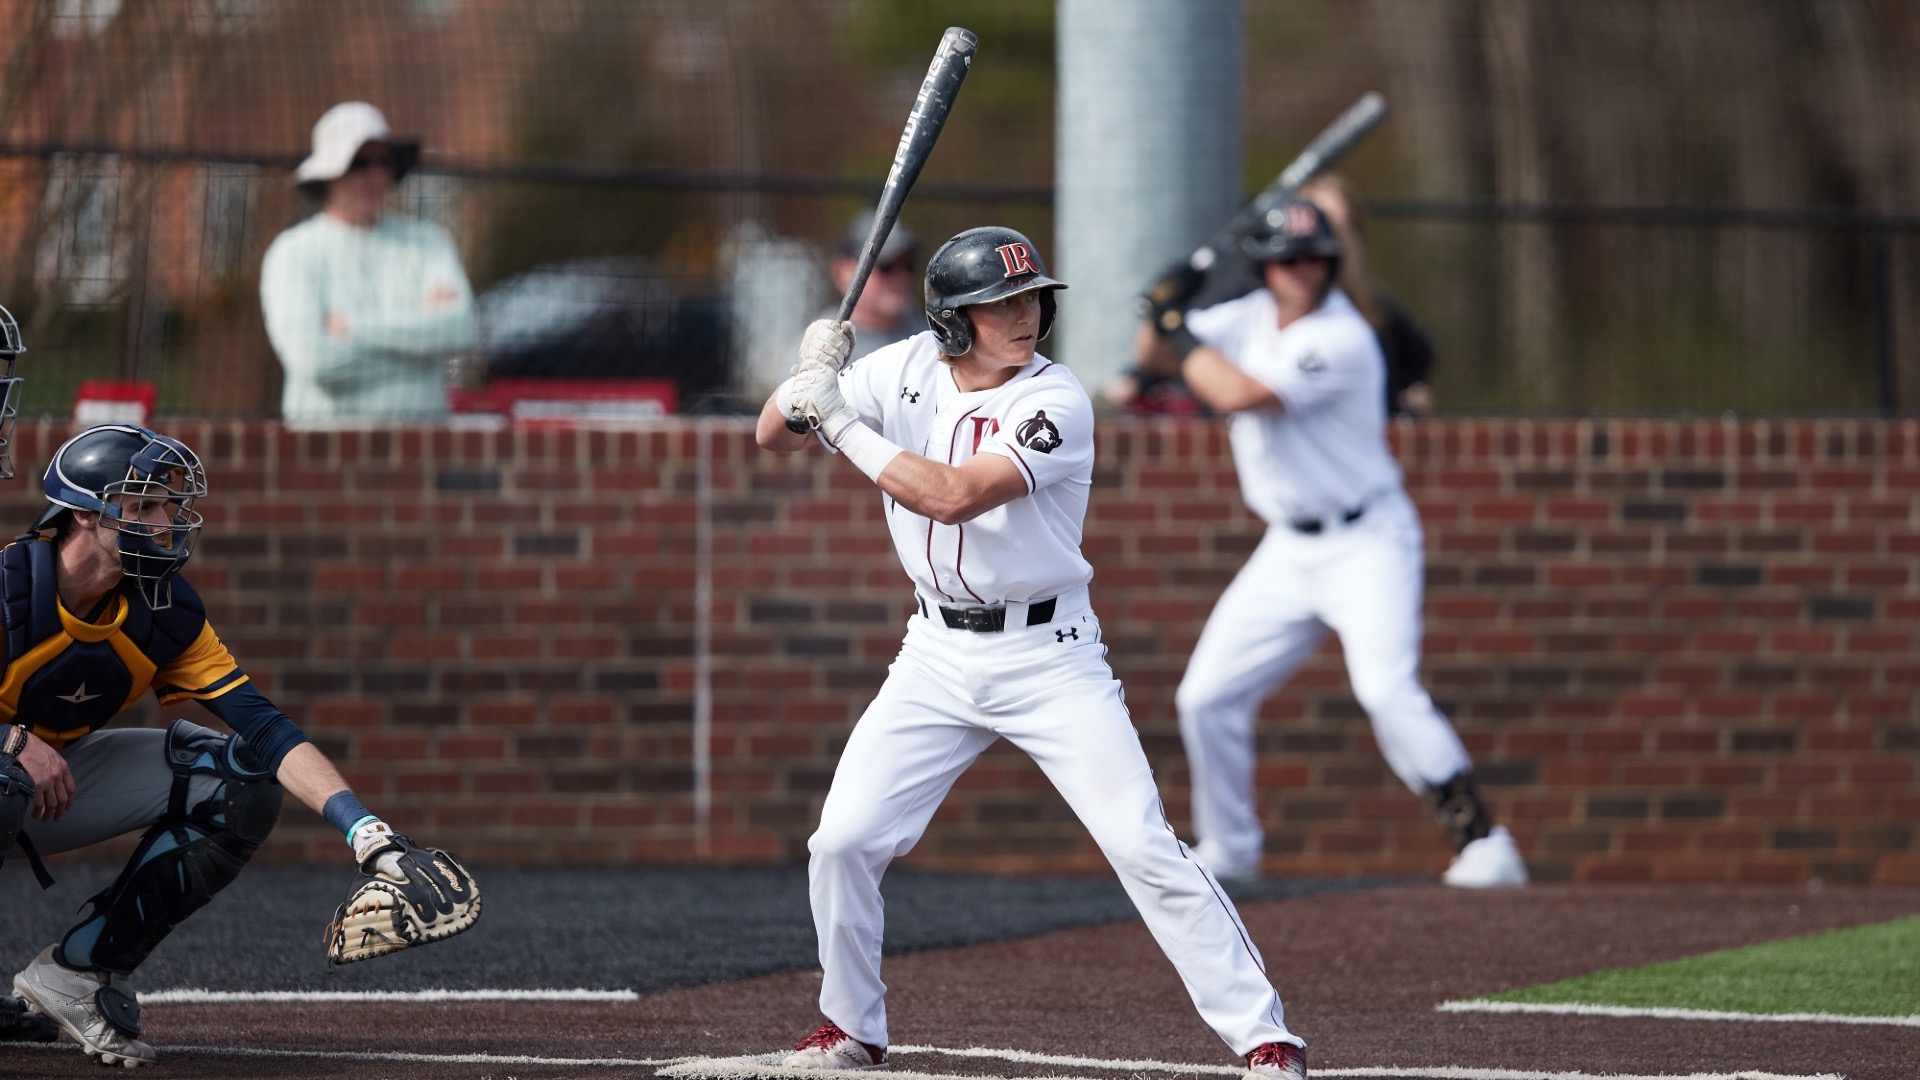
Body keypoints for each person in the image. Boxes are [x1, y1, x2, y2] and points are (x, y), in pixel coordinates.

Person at [758, 227, 1309, 1080]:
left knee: (1138, 841)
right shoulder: (901, 367)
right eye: (998, 305)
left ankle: (1264, 1037)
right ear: (951, 322)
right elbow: (771, 434)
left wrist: (835, 420)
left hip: (1050, 654)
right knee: (842, 842)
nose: (1024, 317)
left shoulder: (1057, 401)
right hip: (935, 652)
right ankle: (850, 1027)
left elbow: (953, 497)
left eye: (1029, 299)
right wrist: (806, 378)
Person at [1, 423, 478, 1067]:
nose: (167, 518)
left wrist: (368, 834)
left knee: (240, 780)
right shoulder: (10, 587)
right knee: (6, 773)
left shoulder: (164, 611)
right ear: (84, 516)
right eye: (144, 505)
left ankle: (77, 972)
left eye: (169, 502)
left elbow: (266, 728)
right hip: (14, 775)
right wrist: (10, 738)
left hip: (47, 786)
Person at [1146, 197, 1527, 890]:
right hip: (1288, 548)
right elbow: (1155, 356)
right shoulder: (1248, 316)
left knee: (1385, 690)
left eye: (1316, 257)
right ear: (1264, 266)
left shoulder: (1340, 336)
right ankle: (1230, 847)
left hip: (1367, 539)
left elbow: (1233, 393)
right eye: (1289, 259)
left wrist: (1174, 321)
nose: (1304, 270)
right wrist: (1164, 302)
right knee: (1206, 697)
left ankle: (1484, 842)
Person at [260, 101, 475, 425]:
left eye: (382, 161)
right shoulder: (292, 252)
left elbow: (458, 329)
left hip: (423, 451)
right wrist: (423, 354)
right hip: (327, 456)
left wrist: (353, 327)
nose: (374, 175)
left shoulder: (430, 242)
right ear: (330, 172)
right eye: (359, 163)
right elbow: (314, 361)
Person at [1297, 175, 1435, 419]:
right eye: (1323, 226)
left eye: (1343, 229)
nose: (1333, 243)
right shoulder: (1262, 309)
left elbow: (1419, 357)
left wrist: (1410, 396)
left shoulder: (1377, 310)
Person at [819, 209, 924, 363]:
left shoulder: (933, 340)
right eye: (886, 266)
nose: (902, 277)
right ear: (843, 271)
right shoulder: (821, 348)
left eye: (909, 265)